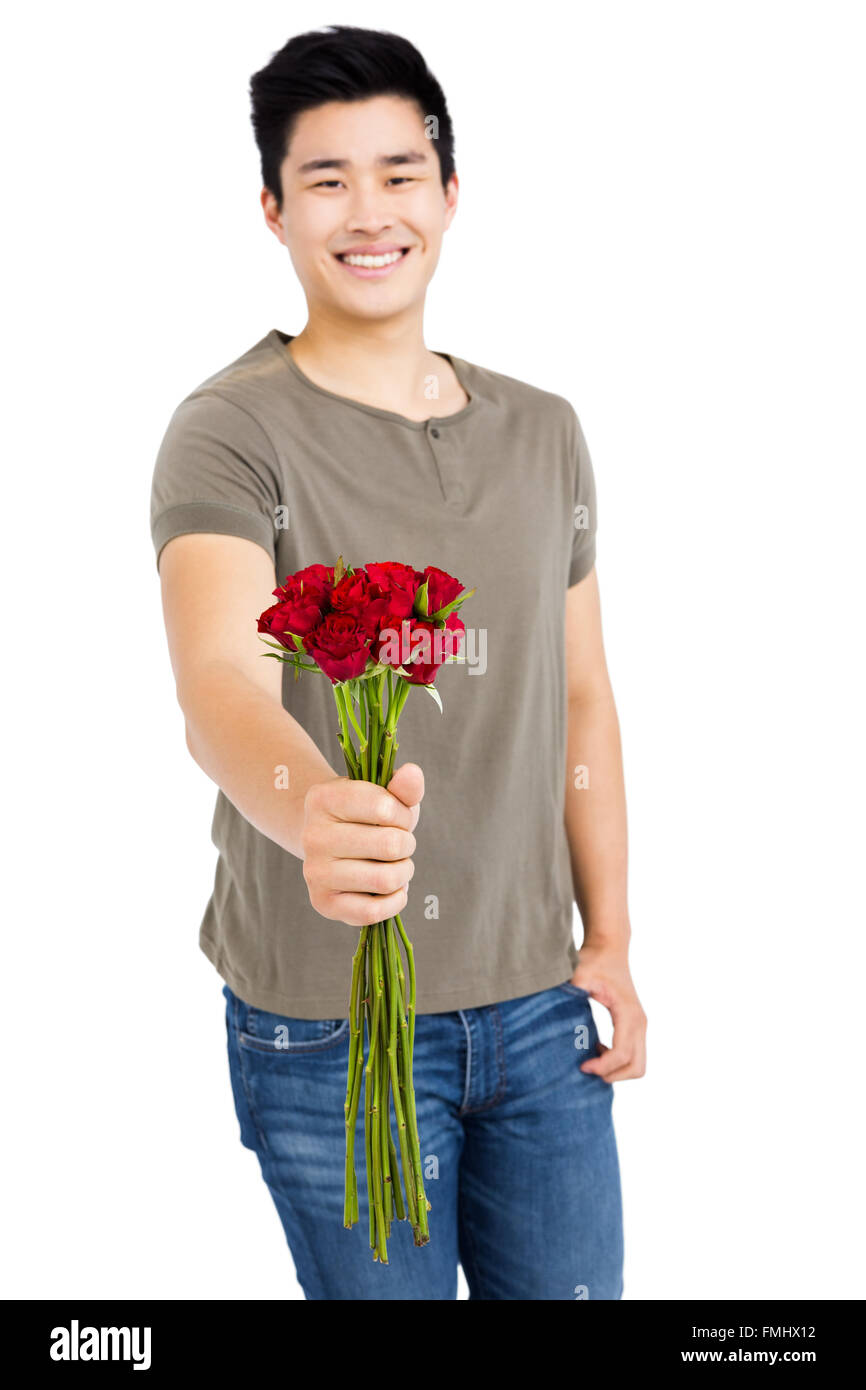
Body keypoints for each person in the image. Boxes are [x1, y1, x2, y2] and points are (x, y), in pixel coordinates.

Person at [151, 24, 646, 1301]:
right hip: (327, 1021)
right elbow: (217, 683)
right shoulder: (229, 429)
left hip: (540, 1008)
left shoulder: (545, 432)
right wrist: (310, 808)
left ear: (448, 192)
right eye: (325, 180)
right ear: (271, 210)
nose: (367, 213)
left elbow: (578, 697)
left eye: (398, 171)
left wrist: (612, 938)